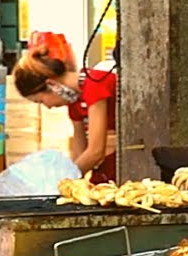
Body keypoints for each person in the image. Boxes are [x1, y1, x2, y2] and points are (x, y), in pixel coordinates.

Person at [13, 31, 117, 184]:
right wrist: (72, 178)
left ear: (52, 85)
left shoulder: (95, 85)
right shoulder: (75, 101)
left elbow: (95, 151)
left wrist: (65, 181)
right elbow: (79, 148)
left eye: (41, 101)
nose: (47, 107)